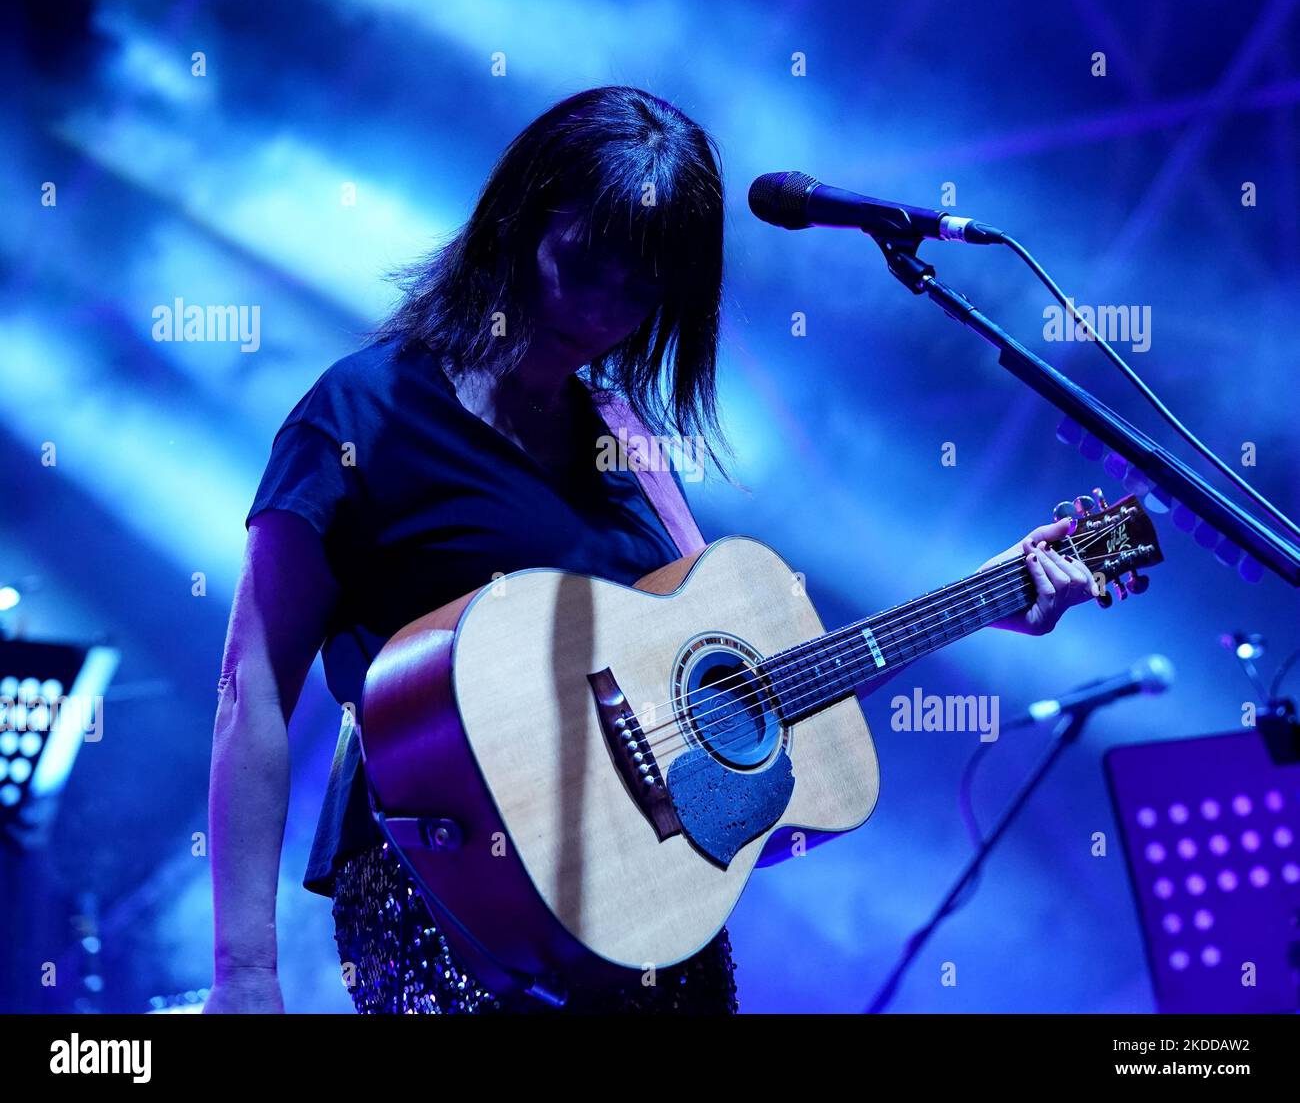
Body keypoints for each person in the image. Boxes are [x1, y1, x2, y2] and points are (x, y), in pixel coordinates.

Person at [203, 85, 1096, 1015]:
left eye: (642, 288)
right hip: (457, 909)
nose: (602, 313)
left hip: (651, 929)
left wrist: (998, 592)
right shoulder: (362, 412)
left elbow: (747, 686)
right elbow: (249, 689)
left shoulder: (624, 437)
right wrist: (245, 978)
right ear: (518, 217)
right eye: (586, 264)